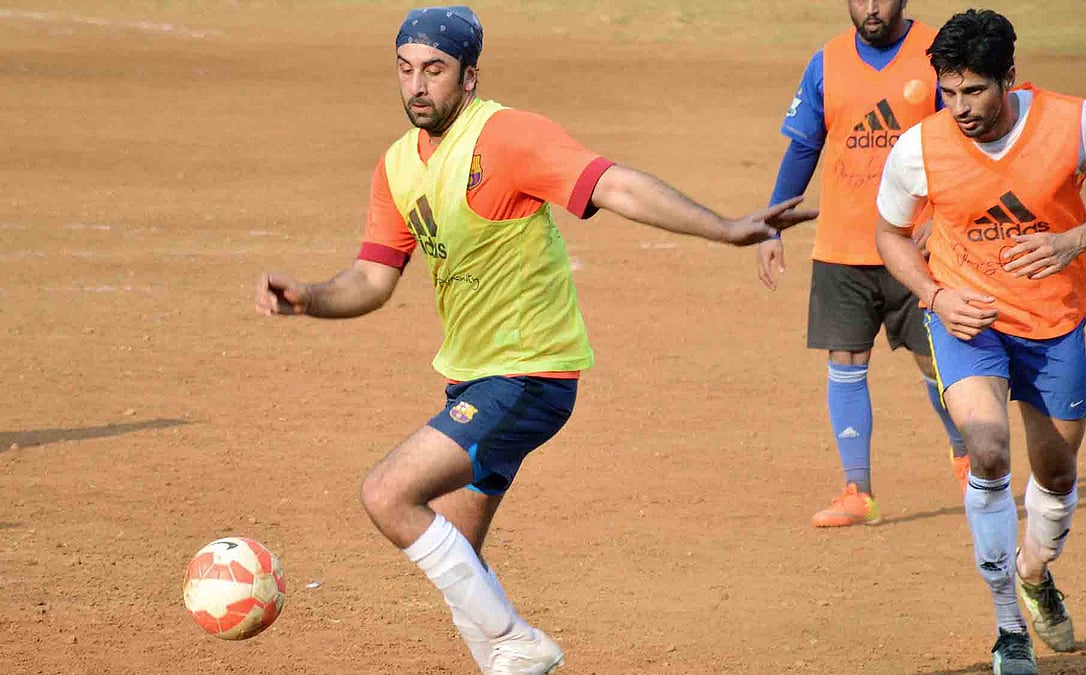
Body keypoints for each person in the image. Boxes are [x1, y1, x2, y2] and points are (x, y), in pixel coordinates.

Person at [254, 6, 814, 674]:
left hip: (528, 374)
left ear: (468, 76)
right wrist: (310, 298)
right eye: (405, 70)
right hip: (476, 375)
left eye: (434, 70)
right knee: (460, 555)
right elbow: (374, 278)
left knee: (388, 494)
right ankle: (508, 661)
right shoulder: (398, 166)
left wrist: (724, 227)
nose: (416, 87)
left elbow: (616, 184)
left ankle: (518, 644)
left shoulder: (508, 137)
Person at [874, 9, 1086, 674]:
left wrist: (1073, 240)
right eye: (948, 91)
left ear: (1009, 78)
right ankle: (1007, 625)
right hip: (965, 316)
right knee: (988, 446)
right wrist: (936, 295)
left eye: (974, 90)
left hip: (1054, 319)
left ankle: (1034, 571)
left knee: (1055, 473)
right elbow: (889, 233)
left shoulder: (1074, 123)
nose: (959, 107)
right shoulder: (919, 147)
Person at [757, 0, 968, 529]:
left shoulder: (940, 51)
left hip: (917, 249)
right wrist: (772, 224)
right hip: (841, 247)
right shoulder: (825, 62)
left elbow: (967, 140)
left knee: (934, 365)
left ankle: (968, 456)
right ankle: (858, 491)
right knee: (845, 362)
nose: (871, 8)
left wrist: (940, 216)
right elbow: (804, 146)